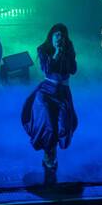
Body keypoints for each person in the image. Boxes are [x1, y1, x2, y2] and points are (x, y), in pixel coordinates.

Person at [21, 23, 79, 186]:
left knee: (63, 126)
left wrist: (65, 53)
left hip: (63, 93)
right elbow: (47, 69)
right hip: (46, 92)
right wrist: (56, 53)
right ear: (51, 36)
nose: (60, 37)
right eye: (57, 35)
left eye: (63, 35)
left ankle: (51, 155)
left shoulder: (69, 47)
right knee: (49, 127)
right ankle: (49, 156)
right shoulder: (43, 49)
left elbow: (73, 70)